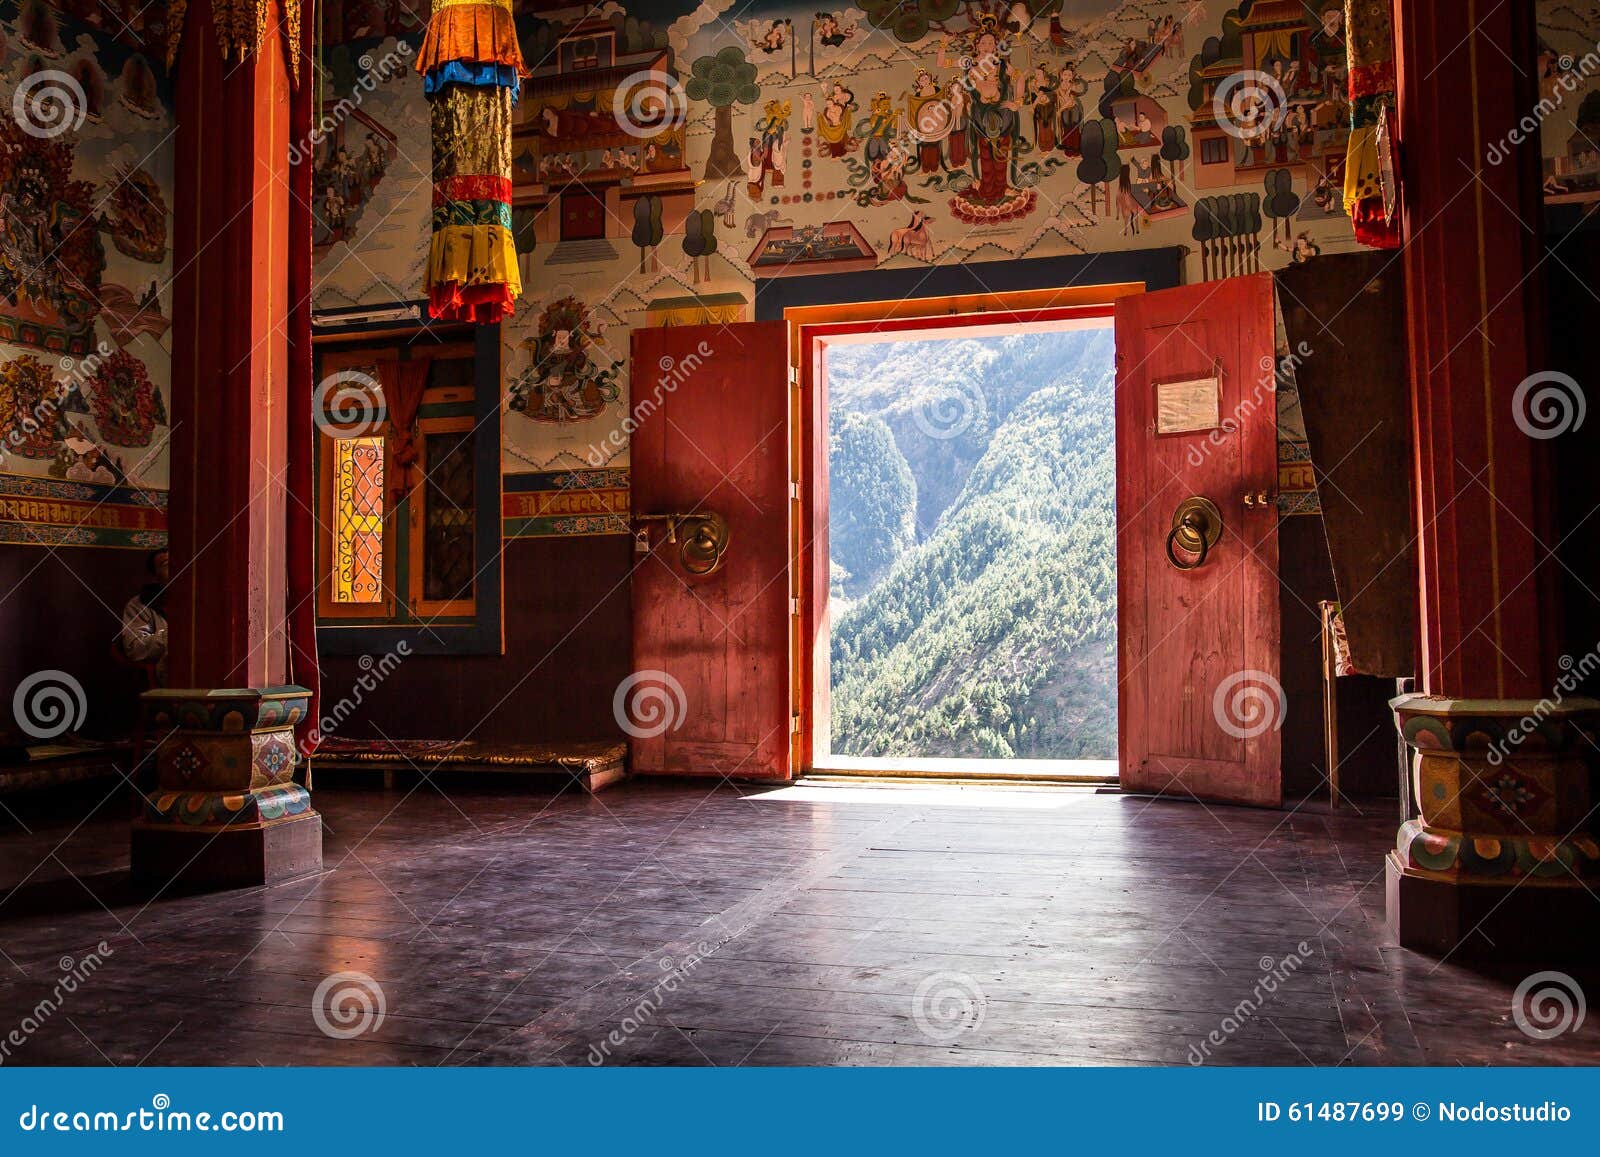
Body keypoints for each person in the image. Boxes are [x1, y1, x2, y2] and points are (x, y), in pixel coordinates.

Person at [120, 548, 168, 675]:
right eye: (166, 564)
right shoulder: (138, 605)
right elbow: (135, 648)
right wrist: (173, 637)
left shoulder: (199, 600)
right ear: (155, 577)